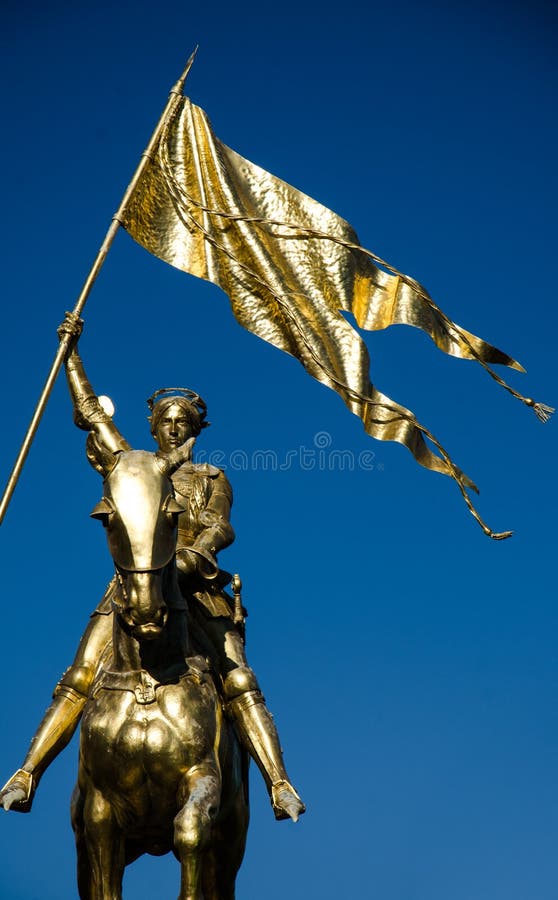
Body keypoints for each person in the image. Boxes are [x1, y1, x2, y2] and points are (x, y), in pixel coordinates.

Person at [1, 313, 304, 823]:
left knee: (238, 680)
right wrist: (71, 355)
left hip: (194, 584)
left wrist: (195, 552)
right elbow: (92, 416)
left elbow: (219, 527)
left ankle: (278, 781)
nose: (174, 426)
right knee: (78, 676)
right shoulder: (131, 466)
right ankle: (28, 770)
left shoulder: (209, 476)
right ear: (154, 425)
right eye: (167, 419)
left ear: (194, 429)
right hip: (133, 582)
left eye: (183, 420)